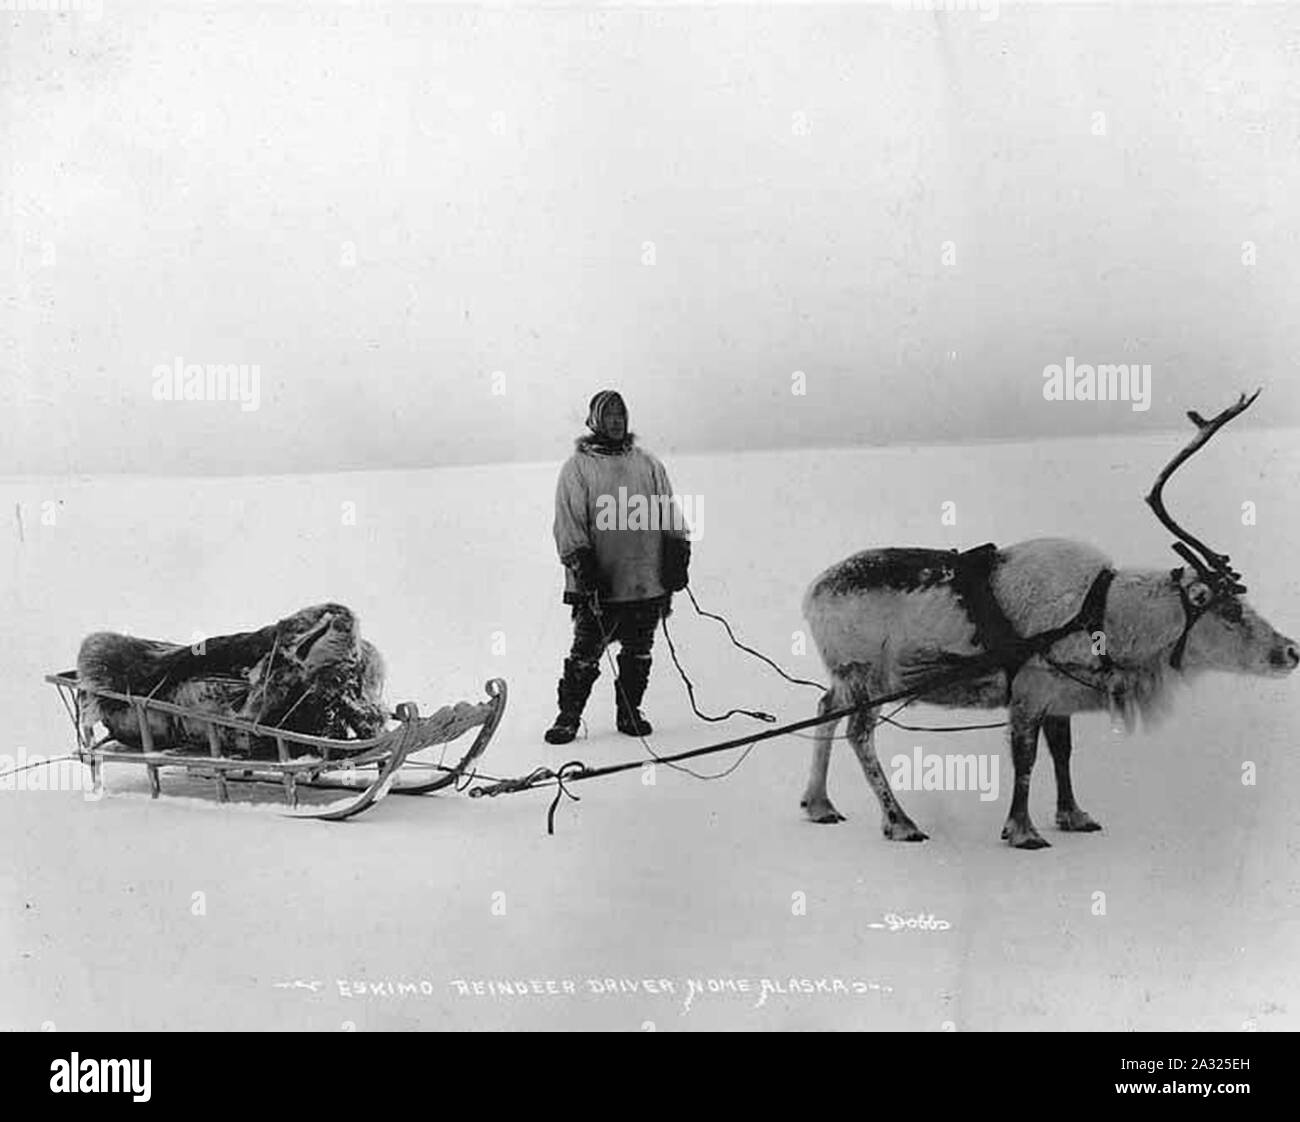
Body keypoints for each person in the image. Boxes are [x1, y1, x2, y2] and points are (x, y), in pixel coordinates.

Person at [546, 390, 691, 744]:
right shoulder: (578, 467)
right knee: (585, 655)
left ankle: (629, 712)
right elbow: (569, 523)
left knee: (639, 651)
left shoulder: (648, 464)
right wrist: (582, 565)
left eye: (620, 415)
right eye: (608, 415)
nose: (615, 421)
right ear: (595, 421)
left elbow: (669, 512)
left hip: (645, 581)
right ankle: (568, 718)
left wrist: (677, 553)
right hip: (600, 584)